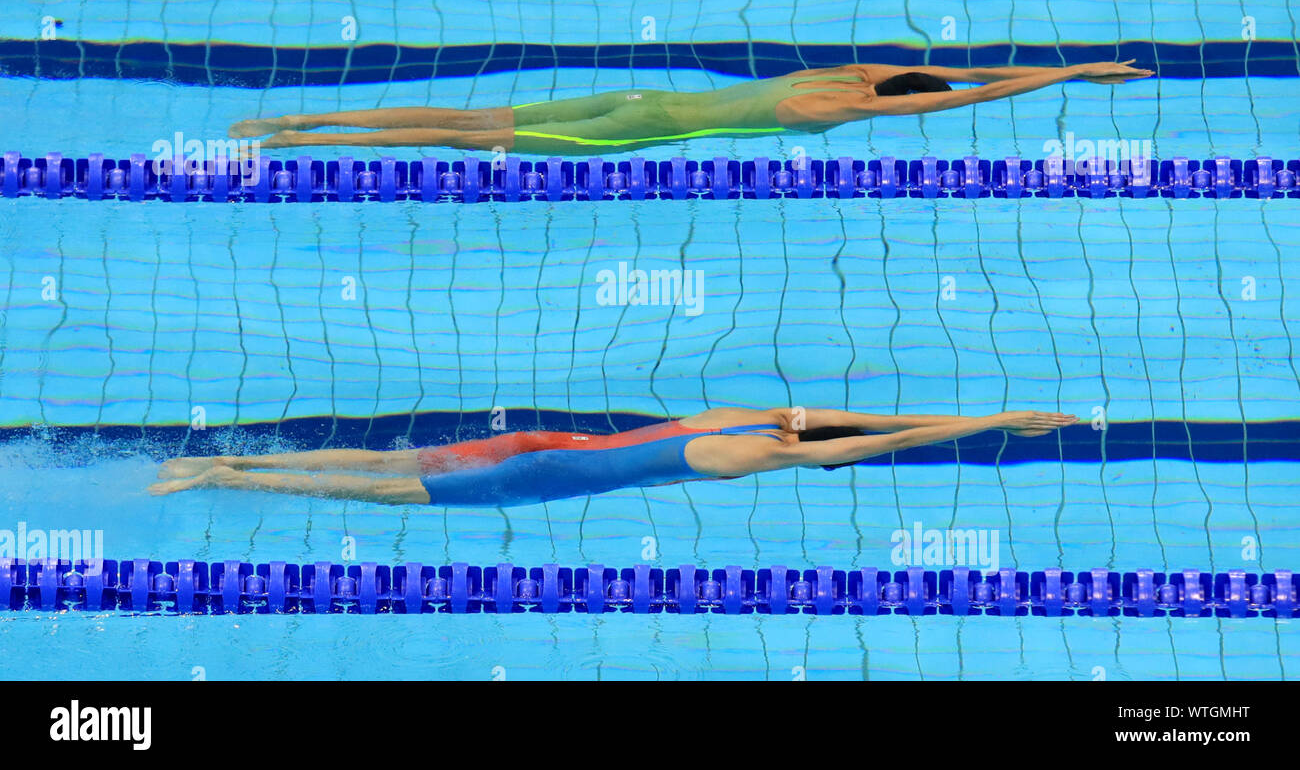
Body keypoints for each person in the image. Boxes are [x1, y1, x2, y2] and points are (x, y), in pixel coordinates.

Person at [149, 406, 1077, 507]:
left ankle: (237, 456)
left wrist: (996, 411)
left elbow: (854, 421)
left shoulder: (750, 415)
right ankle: (226, 476)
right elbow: (890, 441)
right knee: (390, 493)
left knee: (377, 457)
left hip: (537, 440)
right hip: (533, 477)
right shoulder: (755, 461)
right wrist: (991, 425)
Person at [227, 61, 1152, 155]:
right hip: (642, 130)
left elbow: (969, 69)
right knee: (469, 145)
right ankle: (307, 133)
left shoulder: (851, 73)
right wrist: (1070, 84)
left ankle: (298, 117)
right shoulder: (845, 114)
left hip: (638, 92)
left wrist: (1074, 61)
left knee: (474, 116)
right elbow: (977, 93)